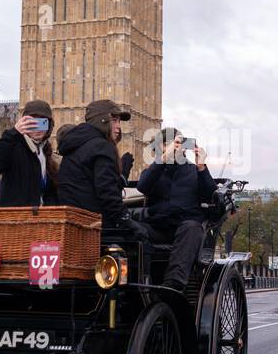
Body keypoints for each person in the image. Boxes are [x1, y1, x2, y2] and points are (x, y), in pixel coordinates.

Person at [136, 127, 216, 292]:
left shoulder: (193, 171)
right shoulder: (155, 170)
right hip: (157, 227)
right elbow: (143, 186)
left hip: (184, 228)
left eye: (181, 142)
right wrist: (163, 159)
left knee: (192, 228)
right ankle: (137, 281)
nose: (179, 147)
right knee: (132, 229)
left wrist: (202, 167)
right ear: (163, 146)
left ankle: (173, 286)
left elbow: (210, 197)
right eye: (175, 143)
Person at [56, 99, 135, 229]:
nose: (119, 126)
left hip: (73, 222)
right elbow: (108, 194)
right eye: (114, 120)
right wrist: (127, 221)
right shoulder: (101, 146)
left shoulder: (76, 144)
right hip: (95, 225)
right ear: (103, 120)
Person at [0, 99, 58, 207]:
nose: (38, 129)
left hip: (39, 218)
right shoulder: (13, 144)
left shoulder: (45, 151)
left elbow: (48, 191)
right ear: (24, 123)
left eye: (42, 123)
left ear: (49, 126)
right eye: (32, 123)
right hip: (13, 217)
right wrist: (13, 133)